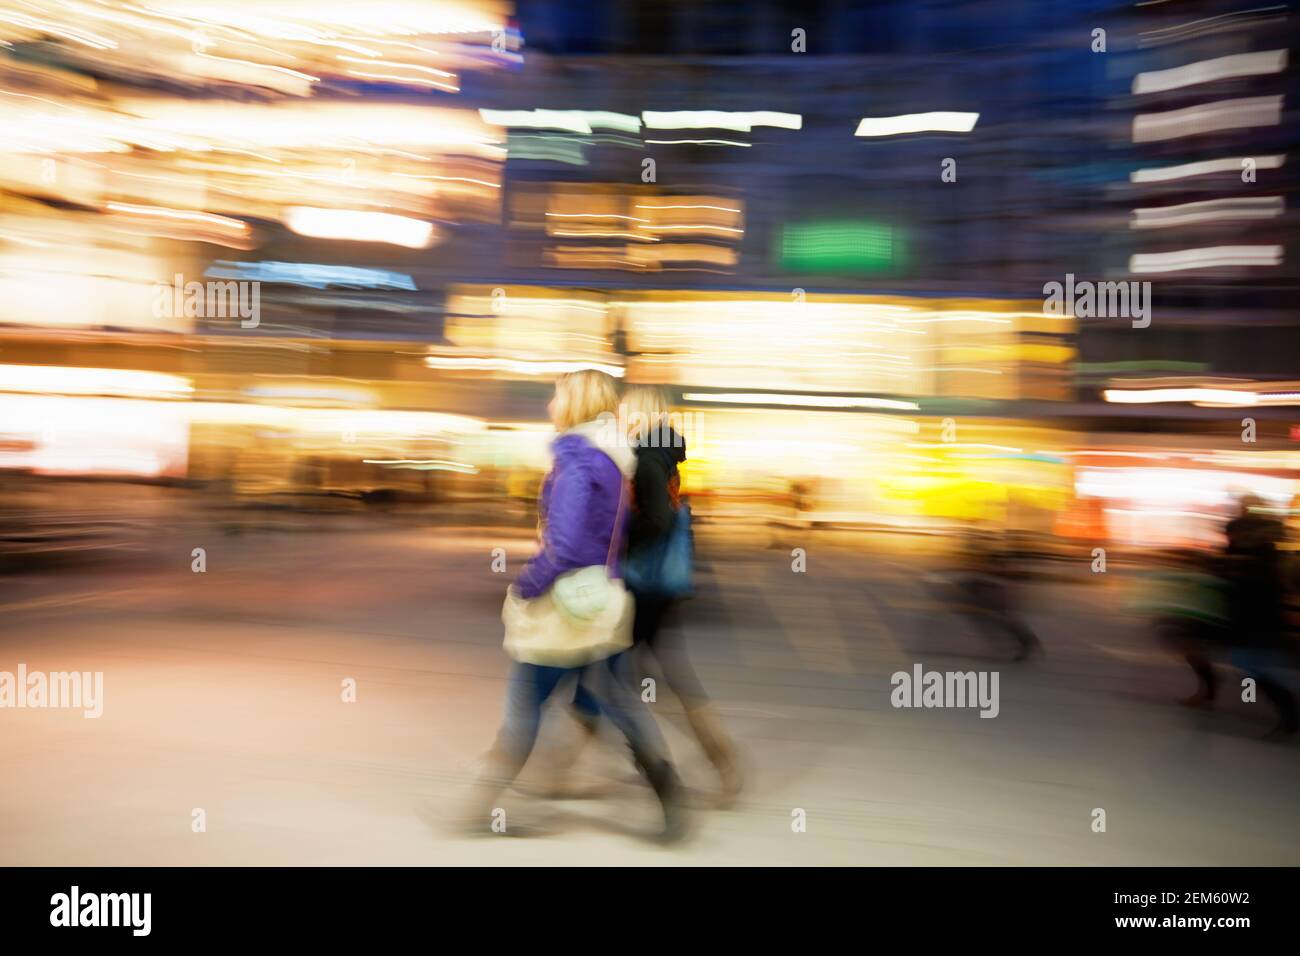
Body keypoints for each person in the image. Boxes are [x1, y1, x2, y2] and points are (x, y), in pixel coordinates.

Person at [461, 371, 687, 841]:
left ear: (576, 402)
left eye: (557, 396)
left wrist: (527, 586)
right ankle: (670, 793)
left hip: (564, 603)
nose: (550, 405)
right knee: (617, 698)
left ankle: (477, 809)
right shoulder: (613, 458)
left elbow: (563, 543)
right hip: (602, 597)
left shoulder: (577, 458)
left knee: (524, 702)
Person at [564, 386, 743, 806]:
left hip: (643, 584)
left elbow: (657, 521)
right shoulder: (663, 454)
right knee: (636, 672)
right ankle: (722, 762)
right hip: (658, 585)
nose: (620, 417)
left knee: (607, 672)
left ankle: (569, 765)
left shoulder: (647, 457)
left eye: (625, 410)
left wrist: (618, 542)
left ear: (641, 413)